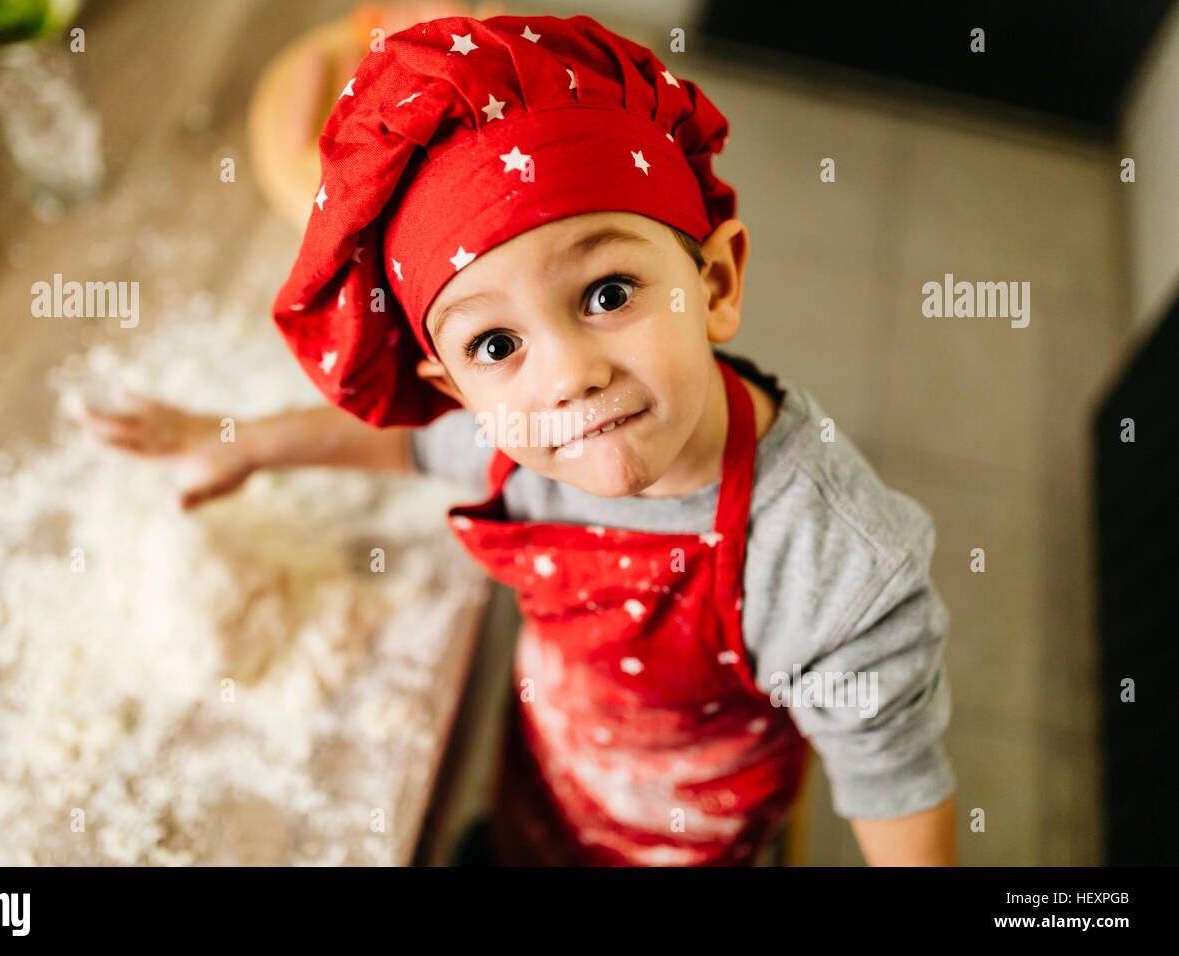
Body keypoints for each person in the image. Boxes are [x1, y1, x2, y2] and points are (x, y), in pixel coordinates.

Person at [83, 13, 957, 866]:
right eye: (496, 346)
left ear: (717, 280)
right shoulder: (529, 440)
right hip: (548, 774)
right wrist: (241, 442)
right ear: (457, 391)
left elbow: (896, 791)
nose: (566, 374)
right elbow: (414, 447)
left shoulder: (830, 569)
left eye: (609, 293)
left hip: (689, 836)